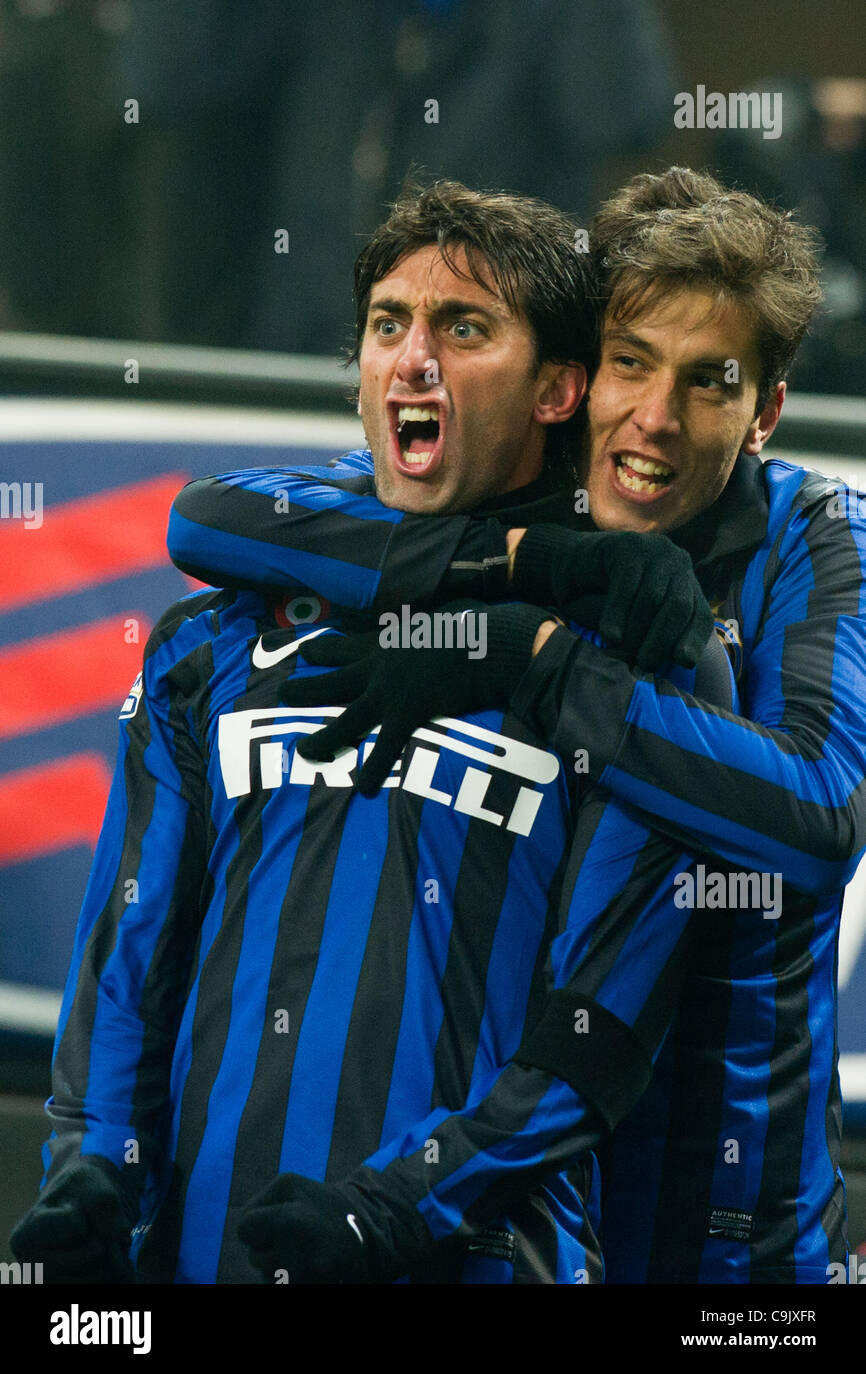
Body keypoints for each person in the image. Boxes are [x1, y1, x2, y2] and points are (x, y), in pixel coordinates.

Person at [9, 181, 728, 1285]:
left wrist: (395, 1205)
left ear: (555, 389)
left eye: (462, 327)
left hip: (469, 1258)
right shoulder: (213, 636)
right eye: (388, 324)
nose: (413, 358)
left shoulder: (634, 659)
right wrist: (95, 1163)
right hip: (204, 1254)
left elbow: (601, 1031)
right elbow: (130, 947)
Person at [166, 168, 866, 1282]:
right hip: (534, 1209)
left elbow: (820, 814)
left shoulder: (816, 538)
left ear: (765, 411)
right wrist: (526, 566)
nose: (653, 417)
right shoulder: (509, 515)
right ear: (576, 378)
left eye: (708, 383)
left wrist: (529, 662)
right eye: (629, 364)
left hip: (735, 1245)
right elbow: (209, 518)